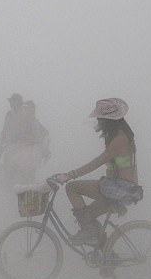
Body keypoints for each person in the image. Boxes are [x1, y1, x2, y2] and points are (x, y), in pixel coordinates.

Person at [53, 98, 141, 246]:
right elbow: (115, 168)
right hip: (120, 187)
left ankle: (89, 233)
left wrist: (70, 175)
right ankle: (108, 259)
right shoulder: (119, 136)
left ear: (108, 121)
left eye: (100, 119)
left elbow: (97, 162)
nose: (97, 122)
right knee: (87, 217)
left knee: (71, 187)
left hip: (121, 188)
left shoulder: (119, 139)